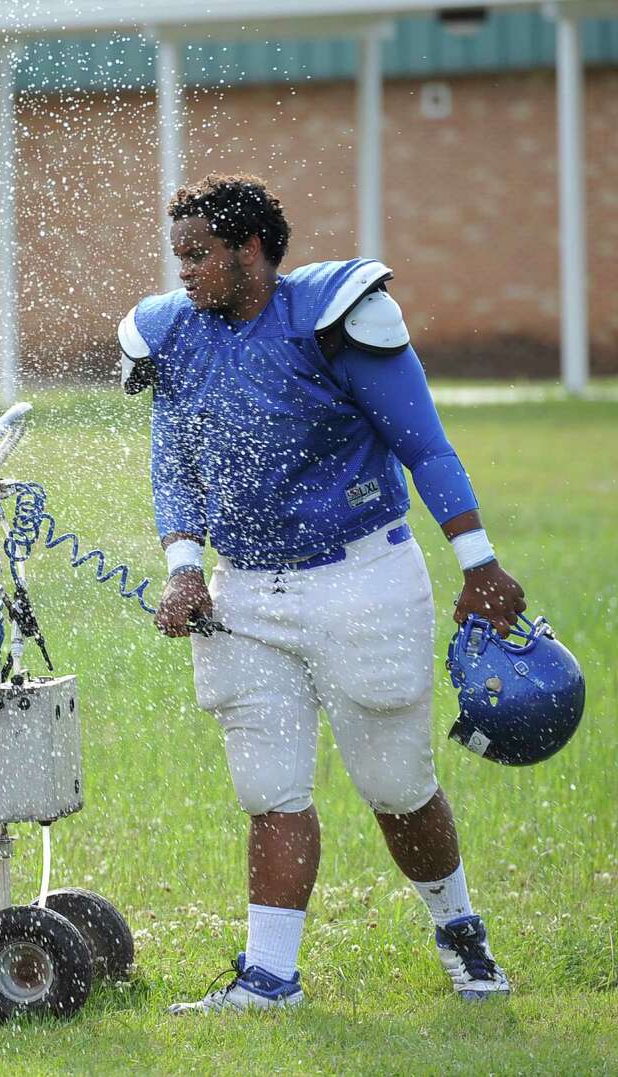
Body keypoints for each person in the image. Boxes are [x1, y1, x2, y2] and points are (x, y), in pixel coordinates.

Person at [118, 174, 524, 1013]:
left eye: (200, 255)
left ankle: (460, 932)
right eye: (179, 256)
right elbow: (175, 464)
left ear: (251, 250)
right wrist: (184, 566)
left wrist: (478, 561)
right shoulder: (174, 334)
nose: (185, 273)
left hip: (362, 574)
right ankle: (271, 978)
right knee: (268, 787)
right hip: (245, 593)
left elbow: (425, 445)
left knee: (396, 787)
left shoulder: (332, 314)